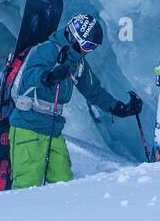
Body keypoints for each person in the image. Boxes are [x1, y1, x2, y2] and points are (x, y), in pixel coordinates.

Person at [9, 13, 143, 188]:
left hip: (53, 130)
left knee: (64, 183)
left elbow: (93, 90)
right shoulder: (48, 49)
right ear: (73, 37)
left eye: (93, 47)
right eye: (87, 45)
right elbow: (30, 75)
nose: (88, 50)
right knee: (27, 183)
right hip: (28, 127)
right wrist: (48, 77)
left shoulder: (78, 63)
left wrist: (120, 108)